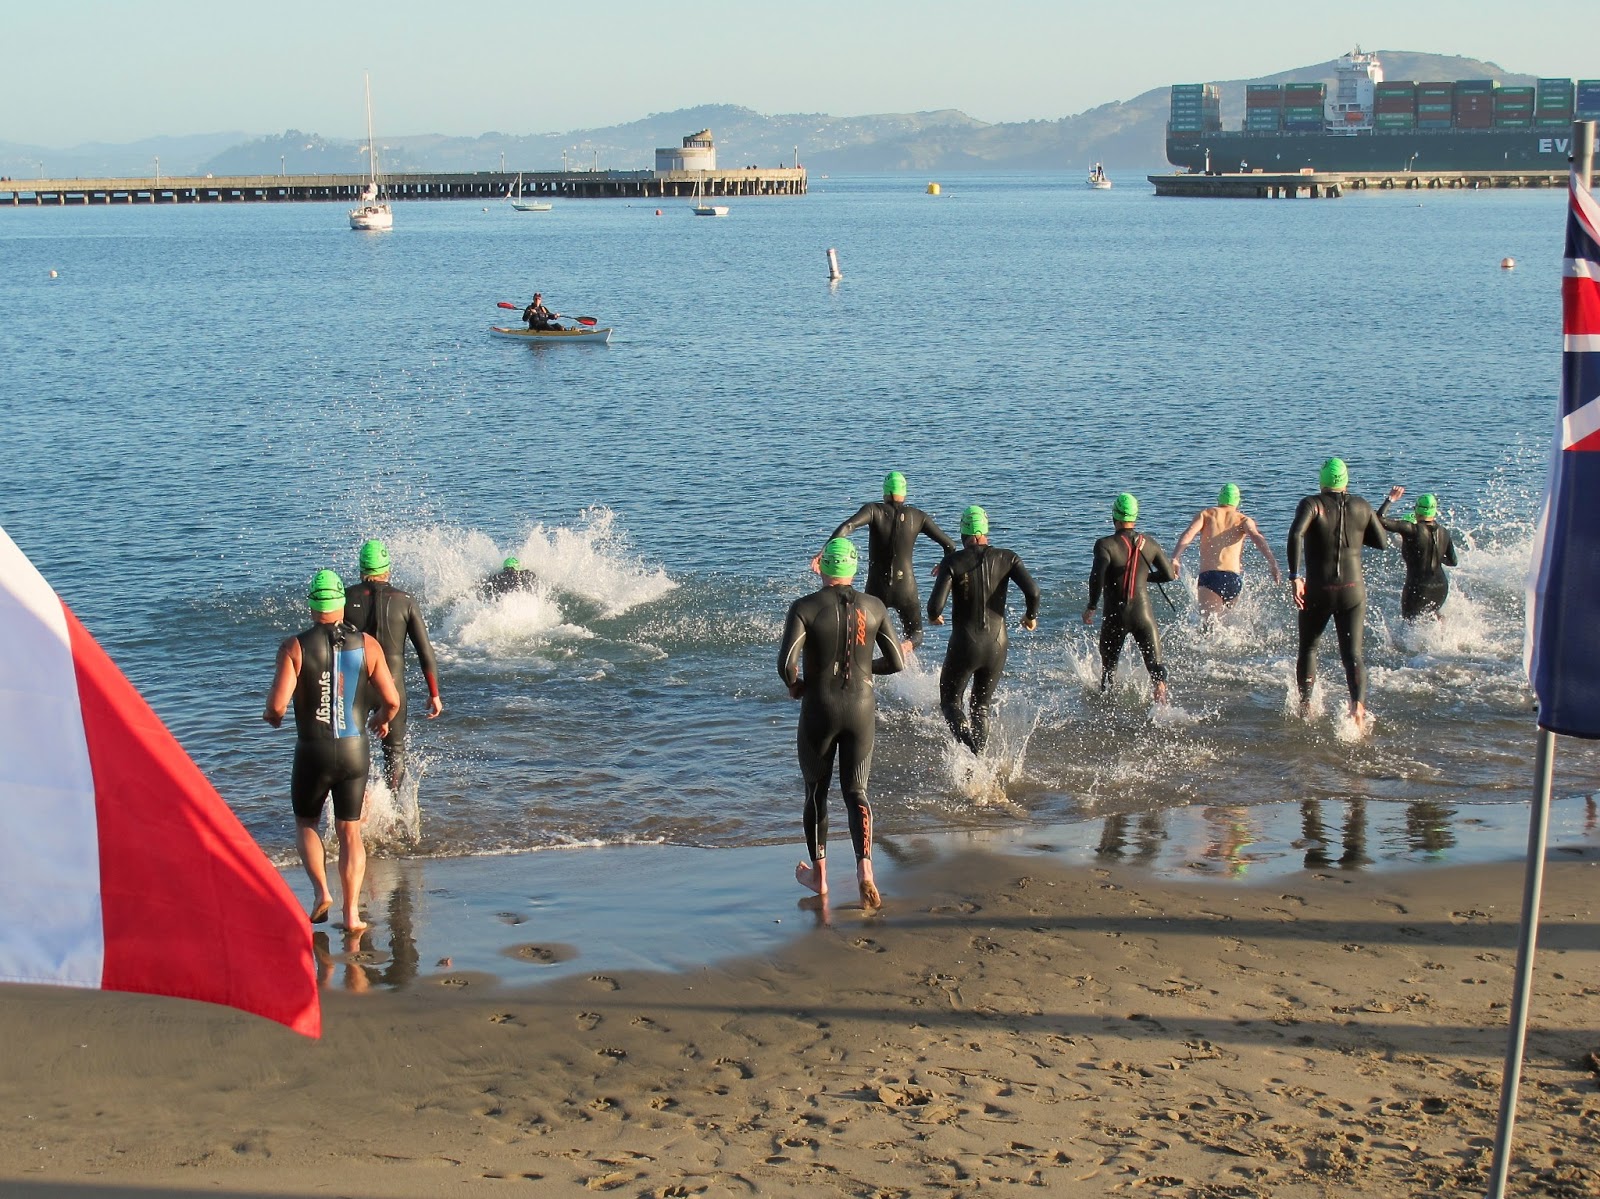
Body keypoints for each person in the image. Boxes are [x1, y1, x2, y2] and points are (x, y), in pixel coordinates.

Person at [263, 570, 400, 930]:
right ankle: (352, 915)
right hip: (355, 750)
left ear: (311, 605)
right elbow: (392, 700)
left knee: (307, 822)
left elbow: (277, 706)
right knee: (349, 830)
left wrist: (272, 717)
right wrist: (382, 719)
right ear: (340, 604)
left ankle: (322, 891)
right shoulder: (368, 644)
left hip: (313, 751)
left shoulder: (294, 646)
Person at [779, 536, 906, 910]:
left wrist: (797, 685)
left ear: (824, 568)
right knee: (857, 791)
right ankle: (865, 871)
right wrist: (866, 669)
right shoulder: (875, 605)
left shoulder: (804, 607)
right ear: (853, 568)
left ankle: (819, 876)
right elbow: (897, 661)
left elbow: (786, 663)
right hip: (861, 709)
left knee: (816, 791)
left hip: (820, 707)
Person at [927, 505, 1040, 752]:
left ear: (963, 531)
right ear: (985, 529)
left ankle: (969, 751)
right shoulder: (1008, 557)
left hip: (964, 645)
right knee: (981, 708)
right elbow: (1033, 592)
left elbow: (935, 607)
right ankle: (981, 760)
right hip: (997, 644)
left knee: (950, 703)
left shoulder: (953, 561)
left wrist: (935, 617)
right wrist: (1030, 616)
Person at [1286, 458, 1388, 727]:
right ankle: (1357, 710)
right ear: (1345, 481)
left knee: (1309, 648)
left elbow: (1296, 534)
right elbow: (1381, 542)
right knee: (1352, 655)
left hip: (1318, 589)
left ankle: (1305, 708)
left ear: (1322, 481)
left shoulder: (1312, 504)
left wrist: (1295, 577)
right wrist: (1355, 532)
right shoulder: (1362, 505)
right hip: (1352, 591)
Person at [343, 539, 442, 793]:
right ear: (387, 568)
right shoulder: (405, 600)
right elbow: (425, 651)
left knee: (353, 746)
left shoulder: (345, 597)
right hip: (393, 687)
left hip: (356, 688)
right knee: (395, 752)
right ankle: (392, 811)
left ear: (361, 568)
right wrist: (434, 693)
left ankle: (356, 807)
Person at [823, 471, 955, 655]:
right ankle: (904, 648)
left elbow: (848, 526)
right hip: (906, 589)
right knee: (915, 634)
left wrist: (825, 551)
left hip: (877, 589)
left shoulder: (873, 510)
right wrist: (943, 565)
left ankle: (861, 669)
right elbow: (950, 545)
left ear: (885, 492)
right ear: (904, 492)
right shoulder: (918, 516)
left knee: (863, 636)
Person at [1083, 492, 1177, 703]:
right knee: (1154, 664)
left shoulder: (1105, 545)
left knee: (1109, 671)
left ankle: (1107, 714)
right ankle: (1160, 688)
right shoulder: (1149, 543)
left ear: (1114, 515)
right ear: (1135, 515)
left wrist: (1091, 606)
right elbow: (1169, 575)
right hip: (1143, 615)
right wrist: (1144, 578)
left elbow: (1096, 577)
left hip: (1115, 615)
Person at [1171, 483, 1282, 623]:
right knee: (1226, 628)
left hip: (1210, 577)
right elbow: (1257, 537)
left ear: (1220, 498)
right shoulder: (1243, 520)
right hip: (1233, 579)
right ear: (1237, 501)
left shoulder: (1206, 514)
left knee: (1209, 626)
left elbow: (1188, 534)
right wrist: (1273, 563)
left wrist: (1175, 557)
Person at [1376, 486, 1459, 620]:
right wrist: (1437, 557)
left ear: (1416, 510)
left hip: (1418, 588)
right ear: (1434, 511)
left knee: (1409, 626)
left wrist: (1391, 499)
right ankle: (1447, 639)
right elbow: (1453, 561)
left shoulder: (1411, 529)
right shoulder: (1444, 532)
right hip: (1441, 587)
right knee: (1435, 617)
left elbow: (1380, 519)